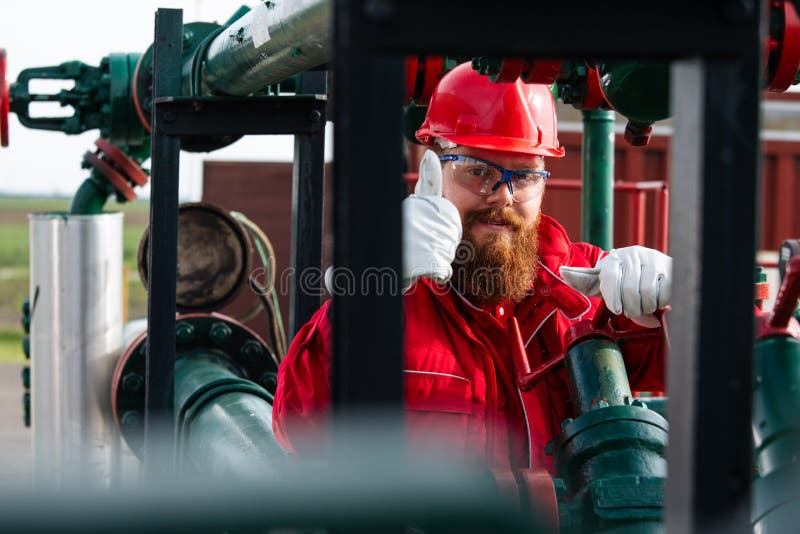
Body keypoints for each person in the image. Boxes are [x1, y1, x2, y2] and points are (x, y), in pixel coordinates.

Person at [272, 62, 669, 473]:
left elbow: (726, 368)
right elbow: (299, 424)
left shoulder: (585, 291)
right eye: (478, 171)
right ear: (433, 173)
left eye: (526, 175)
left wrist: (680, 305)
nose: (502, 196)